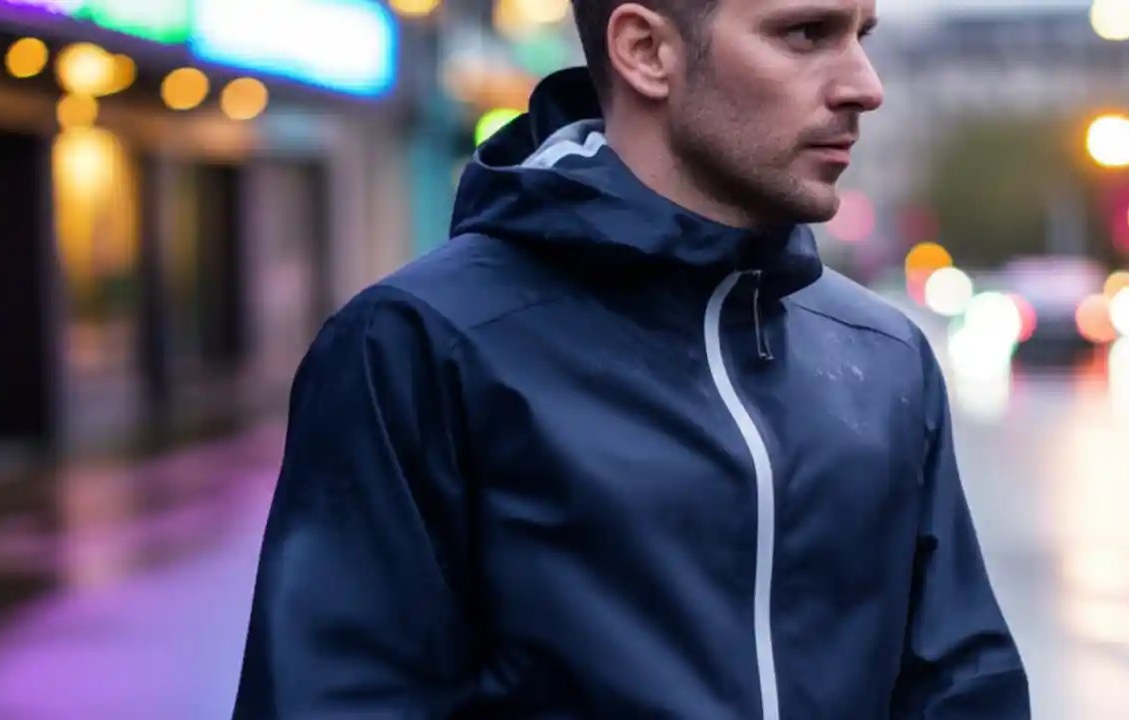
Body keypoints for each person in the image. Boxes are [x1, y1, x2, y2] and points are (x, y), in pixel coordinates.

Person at [233, 0, 1030, 716]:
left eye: (861, 36)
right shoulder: (419, 343)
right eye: (805, 34)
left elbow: (962, 690)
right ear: (647, 50)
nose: (865, 84)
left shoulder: (883, 357)